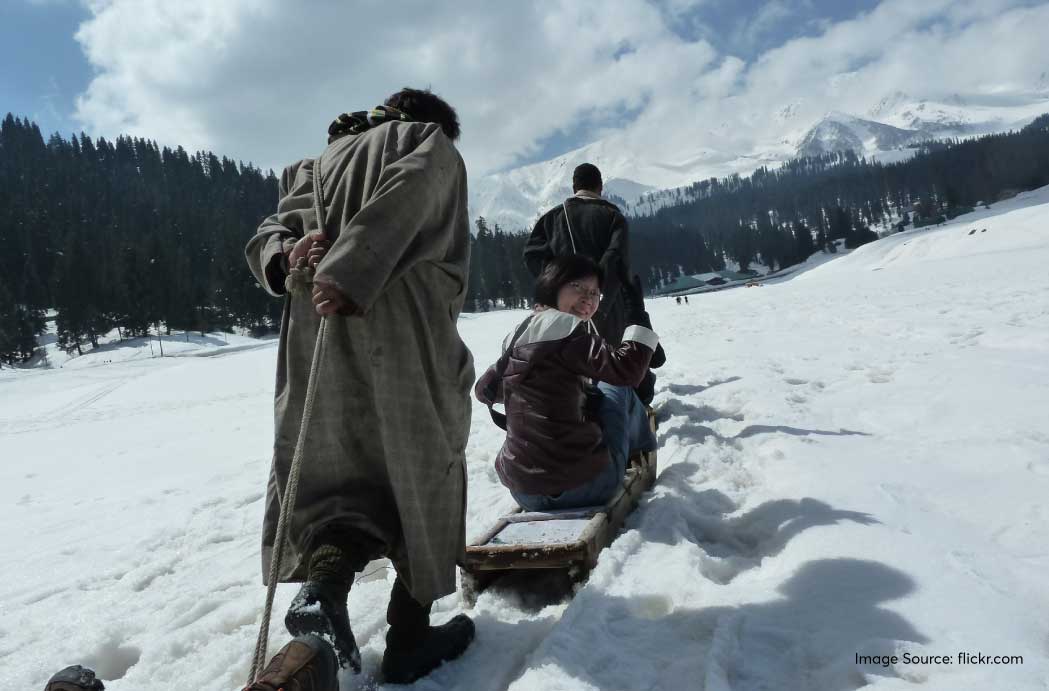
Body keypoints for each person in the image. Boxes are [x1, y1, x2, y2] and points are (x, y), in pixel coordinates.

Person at [244, 87, 475, 684]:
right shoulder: (428, 142)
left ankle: (323, 591)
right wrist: (352, 270)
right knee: (425, 471)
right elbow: (415, 188)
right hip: (398, 323)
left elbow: (271, 232)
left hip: (317, 337)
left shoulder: (315, 164)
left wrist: (288, 255)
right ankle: (410, 637)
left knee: (342, 477)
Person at [474, 255, 658, 511]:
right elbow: (627, 371)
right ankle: (643, 453)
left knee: (596, 392)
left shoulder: (518, 334)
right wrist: (637, 315)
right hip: (585, 487)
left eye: (594, 293)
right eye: (577, 287)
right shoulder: (571, 332)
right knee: (616, 387)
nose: (588, 299)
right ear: (552, 285)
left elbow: (484, 390)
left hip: (524, 492)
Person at [523, 163, 631, 345]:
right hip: (610, 313)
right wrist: (600, 304)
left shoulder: (550, 219)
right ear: (600, 187)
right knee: (610, 359)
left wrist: (560, 286)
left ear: (574, 188)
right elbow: (616, 259)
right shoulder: (613, 216)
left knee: (566, 359)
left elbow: (532, 255)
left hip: (562, 313)